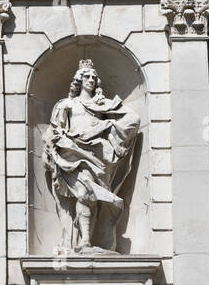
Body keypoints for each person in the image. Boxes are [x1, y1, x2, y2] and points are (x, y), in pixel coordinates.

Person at [44, 59, 140, 254]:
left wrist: (108, 127)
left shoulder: (103, 106)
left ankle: (91, 240)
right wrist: (59, 147)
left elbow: (133, 120)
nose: (91, 80)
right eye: (86, 76)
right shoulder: (67, 104)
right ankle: (85, 242)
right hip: (75, 155)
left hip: (99, 157)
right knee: (85, 193)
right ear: (79, 80)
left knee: (94, 198)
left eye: (94, 78)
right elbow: (56, 131)